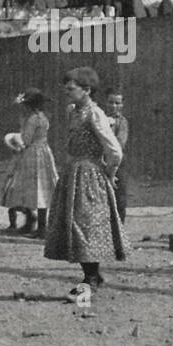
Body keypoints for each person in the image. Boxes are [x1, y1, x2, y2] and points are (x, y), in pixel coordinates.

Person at [44, 67, 129, 290]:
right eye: (66, 89)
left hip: (90, 175)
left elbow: (115, 151)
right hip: (73, 173)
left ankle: (90, 280)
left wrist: (108, 175)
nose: (67, 92)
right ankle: (93, 275)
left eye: (71, 89)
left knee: (86, 226)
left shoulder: (95, 113)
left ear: (87, 90)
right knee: (72, 225)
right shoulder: (73, 111)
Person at [2, 89, 58, 238]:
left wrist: (15, 140)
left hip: (33, 153)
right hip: (44, 151)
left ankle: (39, 227)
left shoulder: (32, 119)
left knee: (34, 187)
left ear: (30, 105)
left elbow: (26, 139)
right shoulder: (42, 117)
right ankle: (35, 224)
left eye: (26, 105)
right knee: (39, 188)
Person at [104, 87, 129, 223]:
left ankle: (120, 229)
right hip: (101, 160)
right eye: (111, 102)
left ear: (122, 105)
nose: (114, 106)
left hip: (117, 161)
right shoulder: (100, 118)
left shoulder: (122, 122)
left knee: (119, 197)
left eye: (117, 103)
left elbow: (119, 143)